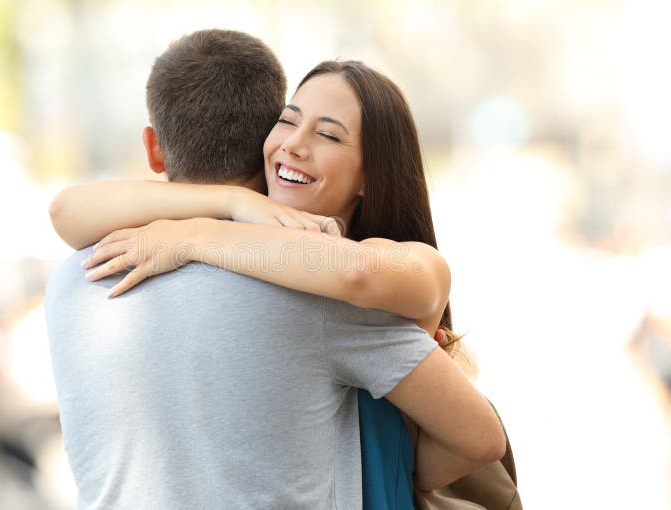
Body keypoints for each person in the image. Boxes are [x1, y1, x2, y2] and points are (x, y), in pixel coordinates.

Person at [46, 29, 504, 509]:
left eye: (328, 134)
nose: (296, 145)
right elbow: (65, 209)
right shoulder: (300, 291)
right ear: (263, 135)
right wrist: (231, 203)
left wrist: (196, 236)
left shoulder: (73, 280)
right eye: (288, 122)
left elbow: (355, 273)